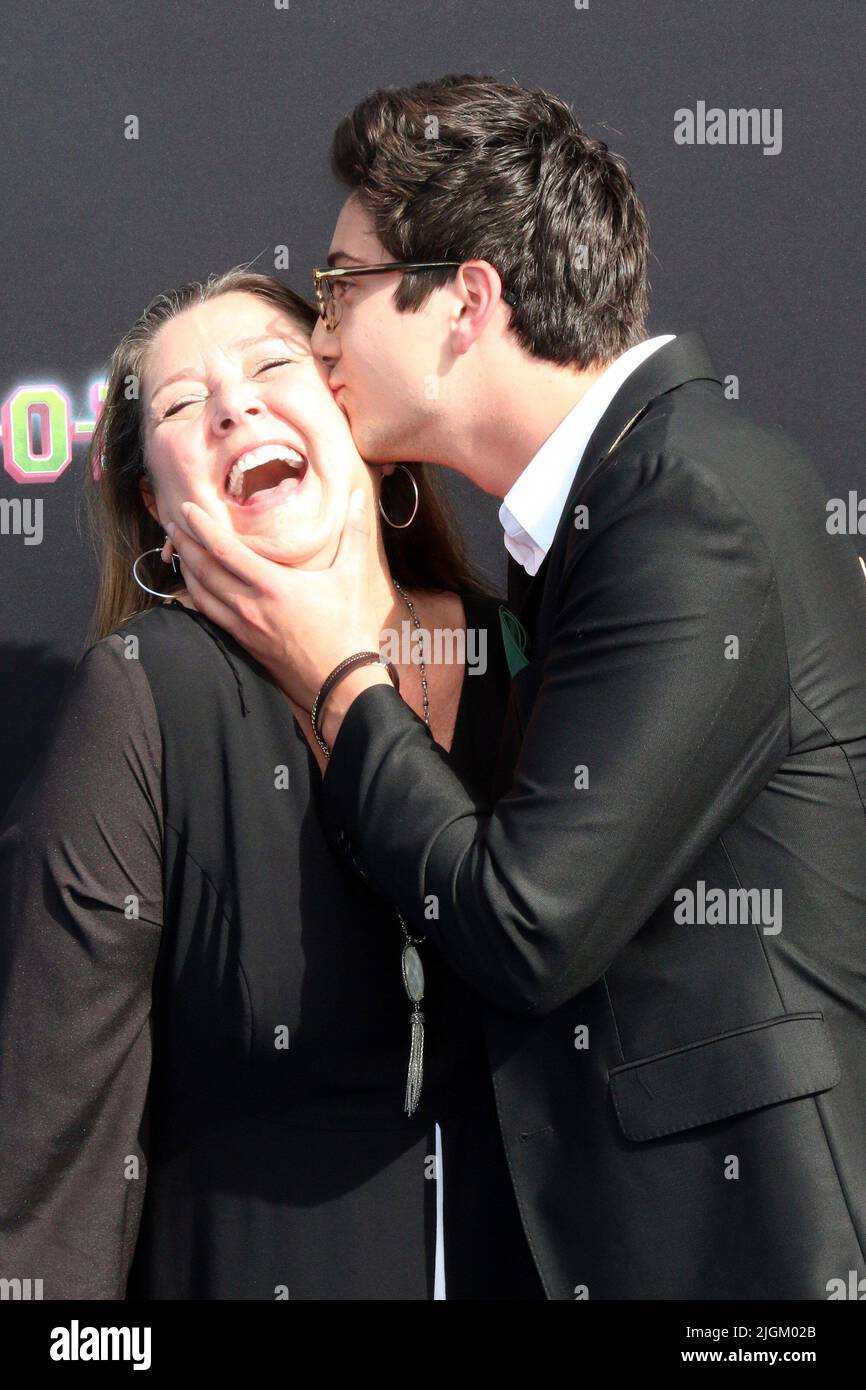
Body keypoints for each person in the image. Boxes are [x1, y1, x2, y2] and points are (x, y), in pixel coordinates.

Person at [166, 75, 866, 1299]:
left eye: (339, 288)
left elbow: (526, 923)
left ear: (464, 301)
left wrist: (330, 666)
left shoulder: (686, 508)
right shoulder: (613, 514)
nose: (318, 337)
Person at [0, 266, 545, 1300]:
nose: (234, 404)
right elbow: (47, 1159)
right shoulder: (139, 699)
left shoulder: (521, 657)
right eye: (178, 403)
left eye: (273, 365)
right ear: (159, 509)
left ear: (356, 424)